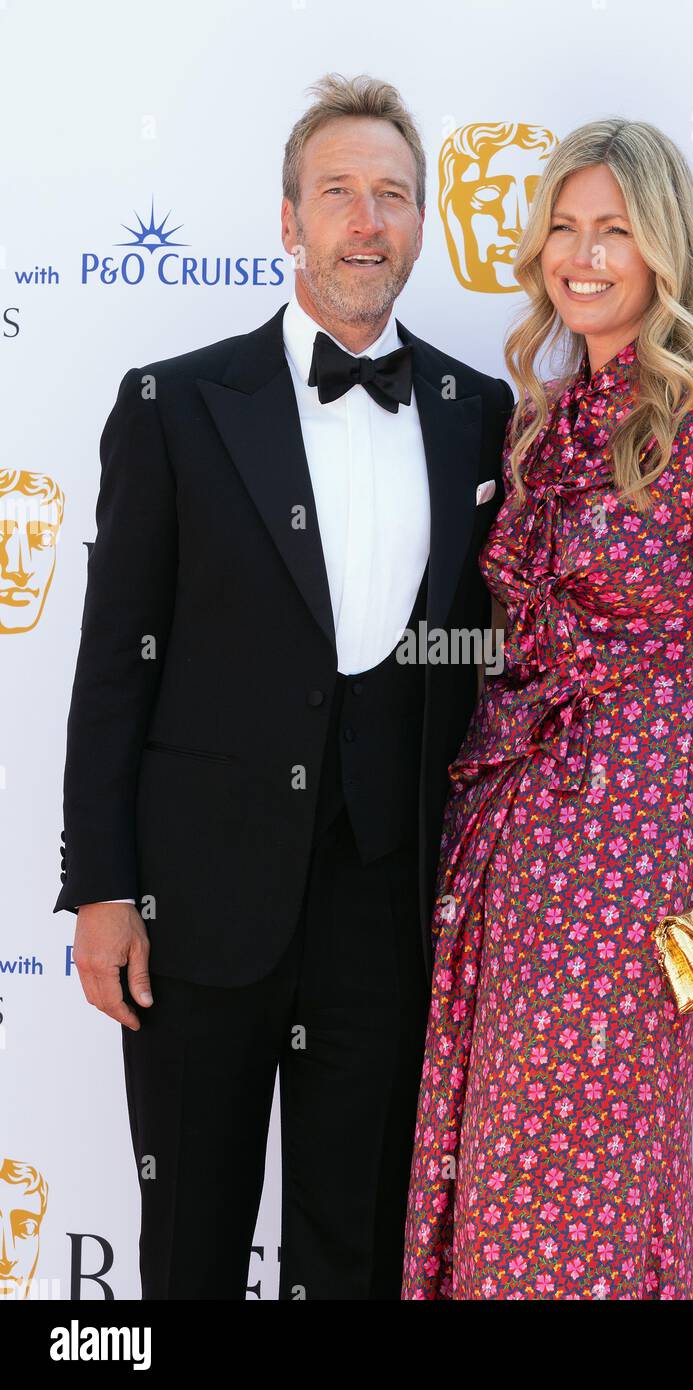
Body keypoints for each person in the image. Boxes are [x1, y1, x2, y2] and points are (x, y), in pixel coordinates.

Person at [54, 72, 512, 1300]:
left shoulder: (480, 412)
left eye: (393, 196)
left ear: (420, 223)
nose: (366, 221)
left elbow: (464, 649)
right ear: (287, 219)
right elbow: (111, 662)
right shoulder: (175, 403)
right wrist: (100, 885)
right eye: (338, 194)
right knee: (189, 1245)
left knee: (353, 1241)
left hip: (383, 904)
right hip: (198, 903)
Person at [402, 117, 693, 1300]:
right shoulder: (540, 422)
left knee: (586, 1173)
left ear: (662, 248)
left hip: (631, 865)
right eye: (564, 230)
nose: (582, 256)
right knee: (500, 1165)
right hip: (506, 843)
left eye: (614, 230)